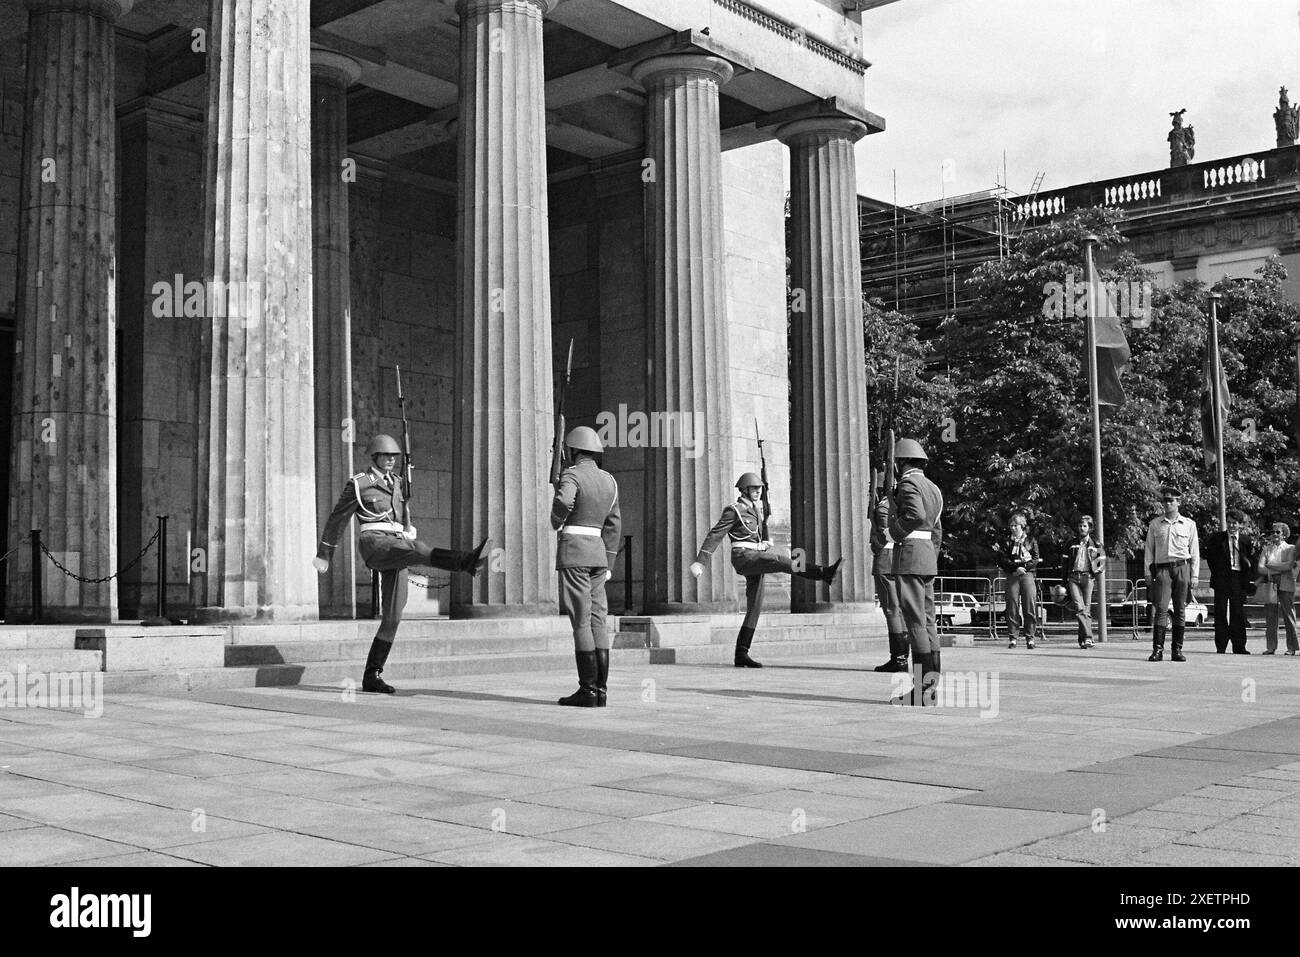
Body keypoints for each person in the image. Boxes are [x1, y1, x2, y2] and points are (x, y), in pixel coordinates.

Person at [314, 434, 488, 693]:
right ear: (375, 457)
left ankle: (371, 675)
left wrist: (408, 525)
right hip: (375, 543)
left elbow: (402, 516)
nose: (391, 461)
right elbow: (337, 519)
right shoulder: (360, 484)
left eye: (394, 457)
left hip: (396, 544)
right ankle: (465, 561)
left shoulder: (398, 483)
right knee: (417, 550)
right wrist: (324, 554)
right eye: (386, 456)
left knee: (394, 614)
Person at [692, 473, 842, 668]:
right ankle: (823, 573)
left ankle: (741, 653)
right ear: (744, 490)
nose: (758, 492)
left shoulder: (757, 510)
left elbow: (759, 531)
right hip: (744, 557)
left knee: (755, 606)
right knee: (781, 561)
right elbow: (715, 534)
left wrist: (765, 540)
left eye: (759, 489)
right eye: (754, 489)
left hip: (755, 557)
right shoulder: (734, 510)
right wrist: (701, 561)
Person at [551, 426, 622, 707]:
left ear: (572, 450)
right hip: (598, 556)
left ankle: (587, 690)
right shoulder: (610, 481)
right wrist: (610, 562)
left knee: (580, 619)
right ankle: (601, 690)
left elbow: (564, 500)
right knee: (597, 619)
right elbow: (614, 523)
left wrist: (557, 520)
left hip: (575, 553)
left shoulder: (572, 474)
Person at [888, 438, 944, 704]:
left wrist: (893, 532)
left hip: (910, 556)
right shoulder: (933, 487)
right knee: (929, 621)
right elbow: (937, 530)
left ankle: (922, 690)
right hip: (927, 559)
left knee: (915, 622)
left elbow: (916, 515)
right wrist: (931, 556)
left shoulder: (908, 483)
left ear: (900, 463)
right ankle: (931, 686)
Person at [1143, 485, 1200, 662]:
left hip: (1182, 567)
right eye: (1165, 500)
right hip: (1162, 569)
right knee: (1161, 608)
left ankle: (1177, 650)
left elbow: (1195, 551)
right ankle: (1158, 650)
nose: (1167, 503)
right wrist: (1147, 571)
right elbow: (1149, 550)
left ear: (1178, 502)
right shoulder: (1155, 524)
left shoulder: (1189, 524)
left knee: (1180, 609)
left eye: (1171, 500)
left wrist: (1195, 575)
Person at [1204, 508, 1258, 654]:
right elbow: (1210, 558)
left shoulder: (1246, 540)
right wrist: (1218, 573)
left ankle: (1239, 645)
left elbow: (1251, 561)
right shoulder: (1217, 538)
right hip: (1222, 578)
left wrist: (1249, 580)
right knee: (1220, 612)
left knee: (1238, 613)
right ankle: (1221, 645)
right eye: (1229, 522)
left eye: (1234, 523)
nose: (1231, 526)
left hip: (1238, 579)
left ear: (1240, 524)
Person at [870, 480, 908, 673]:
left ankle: (898, 658)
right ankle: (903, 656)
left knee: (892, 611)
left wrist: (876, 545)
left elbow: (886, 532)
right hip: (898, 559)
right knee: (898, 610)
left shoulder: (884, 506)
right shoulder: (900, 503)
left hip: (885, 559)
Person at [993, 511, 1041, 649]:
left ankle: (1030, 638)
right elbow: (1002, 559)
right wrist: (1015, 568)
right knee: (1012, 606)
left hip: (1027, 574)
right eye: (1011, 526)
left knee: (1029, 605)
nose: (1013, 528)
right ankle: (1013, 637)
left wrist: (1024, 567)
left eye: (1016, 525)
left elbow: (1035, 558)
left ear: (1022, 526)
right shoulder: (1006, 541)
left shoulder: (1031, 540)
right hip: (1013, 574)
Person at [1060, 514, 1103, 649]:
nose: (1082, 528)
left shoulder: (1096, 543)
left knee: (1086, 609)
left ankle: (1083, 639)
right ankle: (1089, 638)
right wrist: (1063, 582)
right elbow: (1065, 563)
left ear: (1089, 528)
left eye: (1084, 526)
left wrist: (1095, 571)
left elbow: (1100, 565)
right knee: (1080, 608)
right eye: (1080, 526)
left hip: (1087, 578)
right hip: (1073, 577)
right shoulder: (1070, 543)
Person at [1257, 521, 1298, 656]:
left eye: (1277, 532)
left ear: (1284, 534)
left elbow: (1289, 565)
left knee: (1288, 616)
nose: (1274, 534)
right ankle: (1271, 647)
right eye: (1272, 532)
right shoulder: (1266, 549)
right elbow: (1260, 568)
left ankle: (1292, 647)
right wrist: (1277, 569)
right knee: (1270, 617)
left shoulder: (1290, 548)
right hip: (1270, 584)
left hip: (1286, 584)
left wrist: (1270, 566)